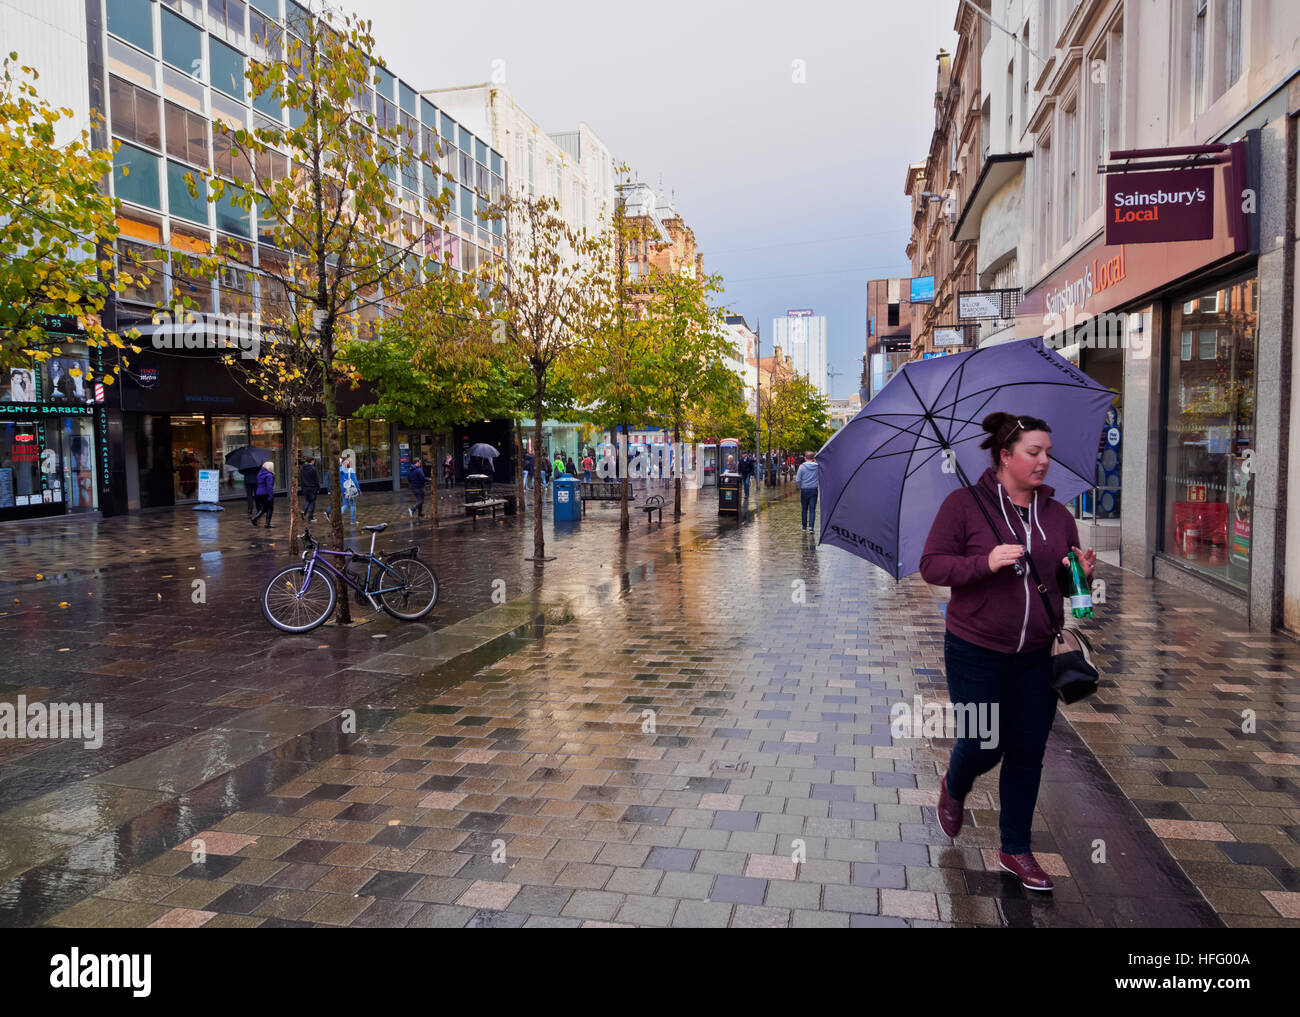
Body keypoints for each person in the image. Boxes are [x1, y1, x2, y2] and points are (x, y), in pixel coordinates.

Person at [919, 411, 1096, 892]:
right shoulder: (964, 506)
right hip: (975, 649)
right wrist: (985, 562)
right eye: (1033, 452)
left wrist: (1081, 571)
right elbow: (932, 566)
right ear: (1005, 455)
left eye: (1047, 453)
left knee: (1026, 750)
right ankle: (954, 786)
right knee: (982, 742)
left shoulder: (1058, 515)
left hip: (1038, 654)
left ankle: (1015, 849)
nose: (1043, 461)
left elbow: (1063, 585)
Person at [794, 451, 819, 531]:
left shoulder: (801, 467)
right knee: (812, 509)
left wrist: (800, 487)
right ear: (813, 458)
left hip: (804, 490)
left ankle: (804, 527)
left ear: (805, 458)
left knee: (804, 509)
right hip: (814, 490)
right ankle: (811, 527)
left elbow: (798, 479)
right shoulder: (818, 467)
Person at [249, 461, 276, 528]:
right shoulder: (269, 475)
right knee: (270, 508)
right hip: (266, 493)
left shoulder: (260, 473)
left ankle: (255, 519)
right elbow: (269, 487)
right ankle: (267, 523)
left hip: (259, 493)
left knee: (264, 508)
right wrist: (270, 496)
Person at [339, 452, 360, 525]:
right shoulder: (350, 470)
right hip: (350, 490)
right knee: (353, 505)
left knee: (345, 504)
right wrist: (359, 490)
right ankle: (352, 521)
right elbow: (355, 481)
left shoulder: (339, 470)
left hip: (342, 489)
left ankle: (337, 519)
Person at [299, 456, 321, 522]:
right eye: (313, 461)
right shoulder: (313, 469)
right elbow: (316, 479)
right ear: (312, 461)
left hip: (305, 487)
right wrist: (318, 488)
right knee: (312, 502)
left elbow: (301, 479)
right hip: (312, 488)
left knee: (308, 500)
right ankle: (310, 517)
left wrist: (302, 487)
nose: (314, 462)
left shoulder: (302, 468)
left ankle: (303, 512)